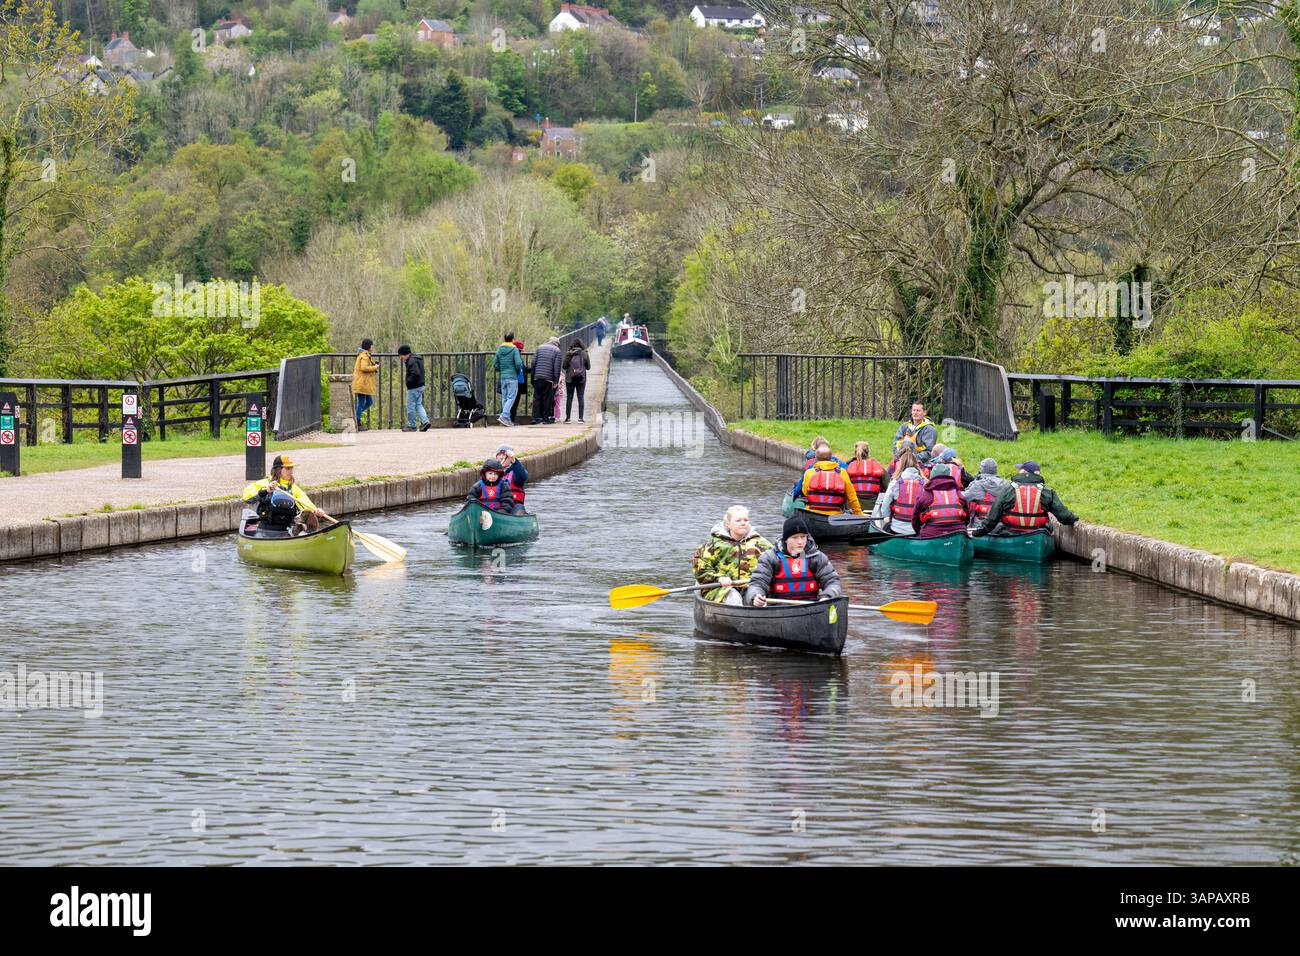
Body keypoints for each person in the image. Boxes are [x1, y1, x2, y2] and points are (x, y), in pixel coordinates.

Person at [745, 516, 842, 607]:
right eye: (795, 537)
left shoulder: (817, 557)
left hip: (811, 606)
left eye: (803, 536)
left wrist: (828, 596)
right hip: (778, 608)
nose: (800, 541)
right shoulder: (770, 558)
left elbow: (832, 581)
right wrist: (756, 596)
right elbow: (758, 583)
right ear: (786, 540)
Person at [971, 461, 1079, 537]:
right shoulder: (1046, 491)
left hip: (1011, 533)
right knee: (1048, 526)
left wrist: (980, 532)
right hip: (1037, 533)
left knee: (999, 527)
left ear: (1025, 472)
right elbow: (1064, 515)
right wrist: (1073, 519)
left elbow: (993, 517)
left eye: (1020, 469)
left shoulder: (1008, 489)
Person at [692, 505, 772, 606]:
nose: (743, 523)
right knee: (733, 598)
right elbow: (700, 570)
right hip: (720, 589)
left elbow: (775, 562)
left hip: (751, 586)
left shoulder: (761, 544)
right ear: (728, 524)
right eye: (738, 520)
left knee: (759, 599)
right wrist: (719, 578)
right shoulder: (714, 544)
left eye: (746, 520)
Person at [241, 455, 325, 535]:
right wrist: (266, 490)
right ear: (278, 470)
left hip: (285, 530)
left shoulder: (293, 488)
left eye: (292, 468)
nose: (291, 472)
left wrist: (315, 511)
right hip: (265, 530)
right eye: (288, 469)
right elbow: (247, 498)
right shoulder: (264, 483)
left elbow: (305, 503)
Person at [800, 444, 864, 516]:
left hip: (812, 513)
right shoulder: (842, 472)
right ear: (831, 457)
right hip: (835, 515)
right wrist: (859, 513)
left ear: (816, 458)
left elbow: (805, 492)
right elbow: (851, 497)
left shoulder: (809, 473)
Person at [911, 463, 971, 538]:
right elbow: (967, 520)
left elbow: (915, 521)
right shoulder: (959, 495)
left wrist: (919, 533)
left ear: (932, 476)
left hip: (931, 535)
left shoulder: (925, 495)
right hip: (957, 534)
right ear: (949, 476)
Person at [873, 447, 923, 535]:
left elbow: (885, 504)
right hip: (918, 530)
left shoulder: (895, 483)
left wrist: (887, 516)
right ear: (916, 464)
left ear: (901, 465)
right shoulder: (925, 484)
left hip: (897, 528)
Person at [962, 458, 1011, 527]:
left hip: (980, 525)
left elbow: (963, 498)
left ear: (981, 469)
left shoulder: (977, 485)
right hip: (1001, 525)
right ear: (996, 470)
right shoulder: (1006, 485)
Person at [493, 331, 523, 427]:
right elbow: (518, 364)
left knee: (505, 398)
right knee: (511, 397)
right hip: (512, 377)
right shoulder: (514, 350)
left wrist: (501, 370)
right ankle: (504, 415)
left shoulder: (499, 349)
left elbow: (495, 364)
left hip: (503, 377)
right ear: (512, 340)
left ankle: (507, 420)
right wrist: (517, 372)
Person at [846, 441, 887, 511]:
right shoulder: (879, 467)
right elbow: (888, 488)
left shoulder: (849, 467)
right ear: (868, 452)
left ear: (855, 453)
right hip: (873, 509)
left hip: (853, 508)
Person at [397, 345, 430, 432]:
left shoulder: (411, 361)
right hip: (421, 385)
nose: (400, 358)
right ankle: (425, 421)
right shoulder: (416, 358)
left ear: (404, 354)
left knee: (410, 406)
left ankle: (412, 425)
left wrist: (408, 381)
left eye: (400, 355)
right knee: (418, 404)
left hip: (414, 387)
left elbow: (415, 373)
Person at [531, 336, 563, 425]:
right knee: (547, 399)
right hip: (548, 379)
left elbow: (533, 363)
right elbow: (557, 367)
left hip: (537, 377)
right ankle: (545, 419)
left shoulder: (540, 348)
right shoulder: (557, 351)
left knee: (536, 398)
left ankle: (535, 418)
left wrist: (533, 376)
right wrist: (556, 381)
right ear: (557, 344)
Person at [352, 338, 380, 430]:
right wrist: (374, 367)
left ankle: (356, 417)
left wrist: (373, 366)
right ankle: (357, 421)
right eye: (372, 345)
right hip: (362, 383)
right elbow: (363, 368)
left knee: (369, 402)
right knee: (361, 402)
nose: (373, 347)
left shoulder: (364, 355)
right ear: (369, 346)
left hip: (364, 383)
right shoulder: (364, 356)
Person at [494, 444, 528, 513]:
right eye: (499, 455)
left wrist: (514, 460)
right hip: (498, 507)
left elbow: (522, 476)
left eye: (503, 455)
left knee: (519, 508)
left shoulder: (516, 472)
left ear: (510, 458)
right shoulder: (492, 473)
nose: (501, 457)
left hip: (513, 508)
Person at [563, 340, 590, 422]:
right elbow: (588, 367)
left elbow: (564, 366)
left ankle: (568, 418)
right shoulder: (584, 353)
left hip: (570, 378)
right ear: (581, 345)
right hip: (581, 378)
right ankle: (580, 418)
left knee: (569, 397)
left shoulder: (569, 353)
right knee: (580, 397)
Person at [510, 337, 528, 423]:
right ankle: (510, 418)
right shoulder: (516, 356)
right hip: (516, 381)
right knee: (514, 400)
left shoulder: (514, 355)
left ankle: (510, 418)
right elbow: (519, 367)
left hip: (515, 381)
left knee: (512, 400)